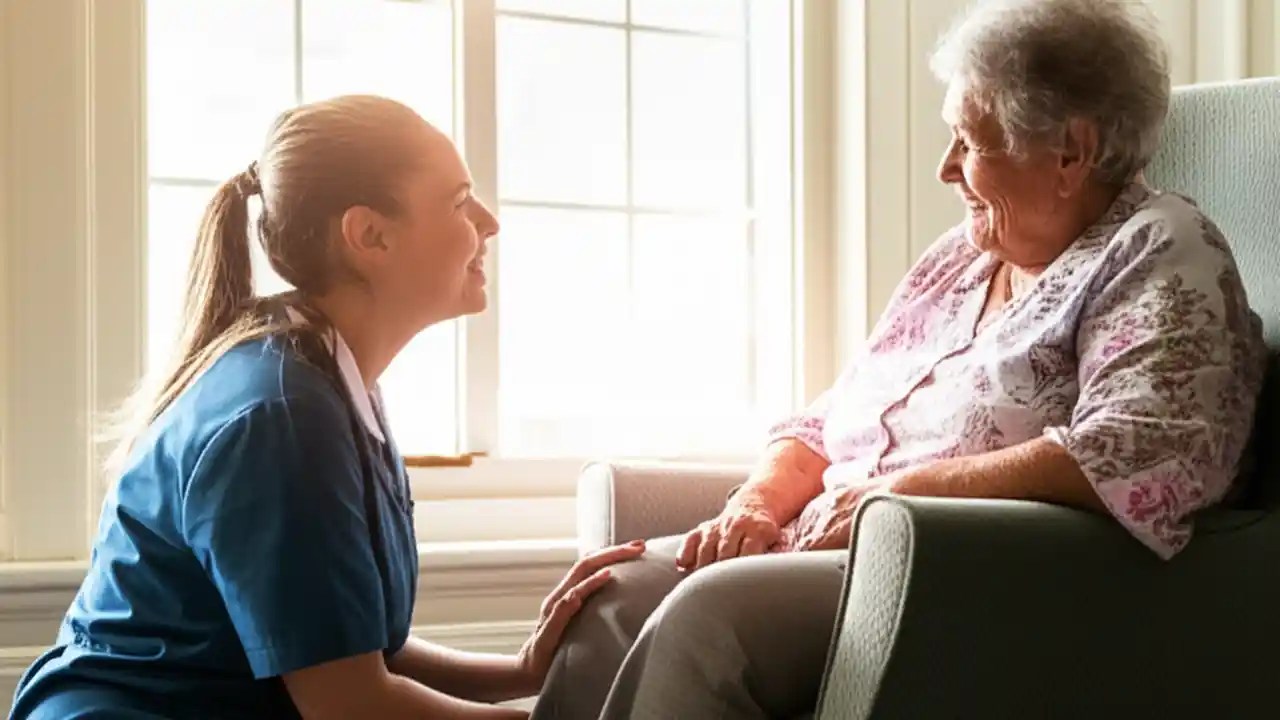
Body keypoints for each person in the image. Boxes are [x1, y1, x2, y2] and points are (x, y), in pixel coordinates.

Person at [530, 1, 1269, 718]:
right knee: (612, 597)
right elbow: (833, 417)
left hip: (959, 573)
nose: (946, 167)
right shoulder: (960, 259)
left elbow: (1142, 452)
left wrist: (894, 495)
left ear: (1070, 151)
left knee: (708, 622)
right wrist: (756, 502)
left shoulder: (1156, 247)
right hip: (833, 544)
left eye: (969, 142)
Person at [9, 95, 645, 720]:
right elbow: (350, 704)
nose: (489, 221)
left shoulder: (332, 384)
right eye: (458, 202)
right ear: (369, 235)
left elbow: (347, 654)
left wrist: (521, 673)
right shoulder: (283, 417)